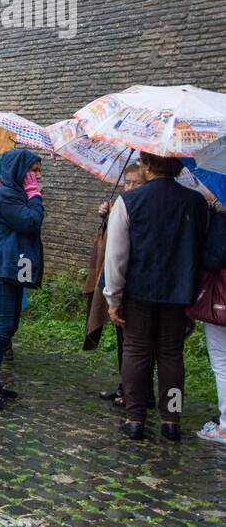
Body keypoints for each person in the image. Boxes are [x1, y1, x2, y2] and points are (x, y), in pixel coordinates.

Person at [104, 152, 208, 440]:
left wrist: (112, 297)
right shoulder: (196, 202)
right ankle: (171, 419)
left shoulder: (130, 202)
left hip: (139, 290)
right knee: (172, 355)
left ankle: (135, 417)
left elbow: (116, 255)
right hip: (179, 291)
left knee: (136, 351)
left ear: (147, 165)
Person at [0, 149, 44, 410]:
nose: (36, 177)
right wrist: (35, 195)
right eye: (33, 171)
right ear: (19, 170)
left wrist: (31, 196)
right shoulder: (5, 195)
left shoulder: (16, 194)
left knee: (10, 325)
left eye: (38, 172)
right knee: (1, 327)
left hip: (12, 268)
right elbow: (31, 222)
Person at [85, 164, 147, 405]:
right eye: (127, 182)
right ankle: (127, 387)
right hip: (119, 282)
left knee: (134, 343)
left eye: (136, 183)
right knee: (125, 341)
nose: (130, 187)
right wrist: (107, 217)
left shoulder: (139, 207)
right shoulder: (122, 205)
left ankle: (134, 393)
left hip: (129, 284)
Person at [199, 208, 226, 444]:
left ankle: (225, 427)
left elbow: (213, 259)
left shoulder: (222, 218)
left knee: (222, 363)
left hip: (222, 303)